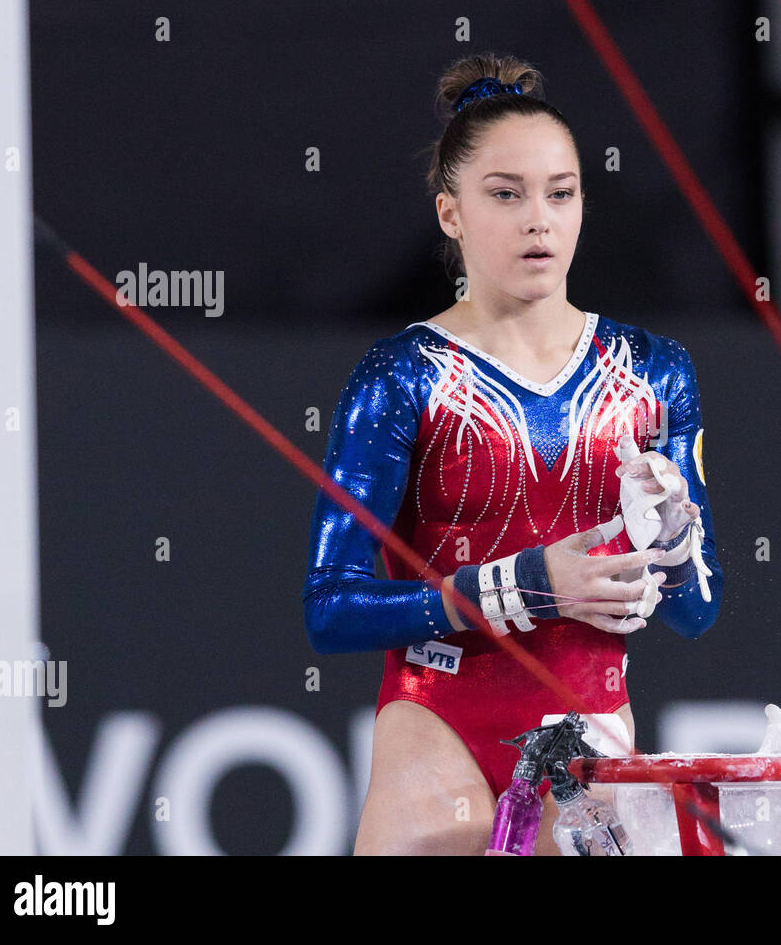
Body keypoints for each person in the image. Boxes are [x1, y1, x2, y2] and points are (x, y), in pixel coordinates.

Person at [301, 52, 723, 855]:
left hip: (585, 718)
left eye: (560, 194)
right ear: (450, 214)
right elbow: (331, 608)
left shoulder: (652, 373)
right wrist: (529, 584)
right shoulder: (400, 377)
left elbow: (698, 611)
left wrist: (673, 539)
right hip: (436, 714)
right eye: (506, 194)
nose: (540, 220)